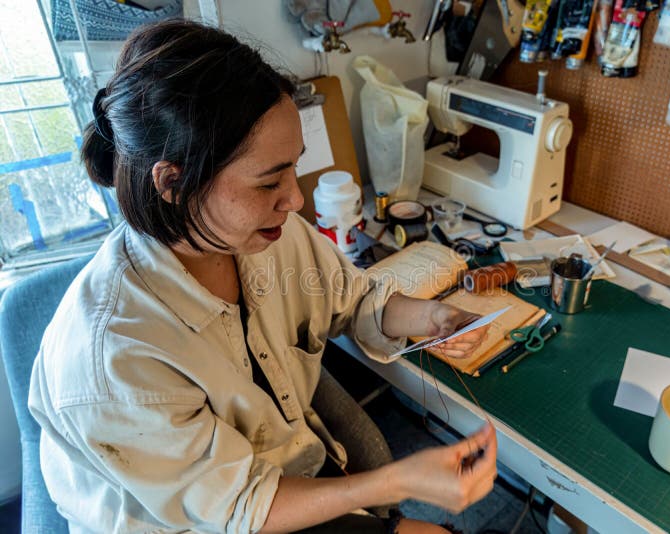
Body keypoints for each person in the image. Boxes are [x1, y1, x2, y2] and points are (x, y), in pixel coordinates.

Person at [28, 19, 498, 534]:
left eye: (293, 169)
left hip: (280, 482)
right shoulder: (114, 356)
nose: (294, 199)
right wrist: (395, 482)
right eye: (269, 181)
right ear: (173, 183)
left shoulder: (261, 237)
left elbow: (350, 298)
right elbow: (238, 509)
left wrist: (429, 315)